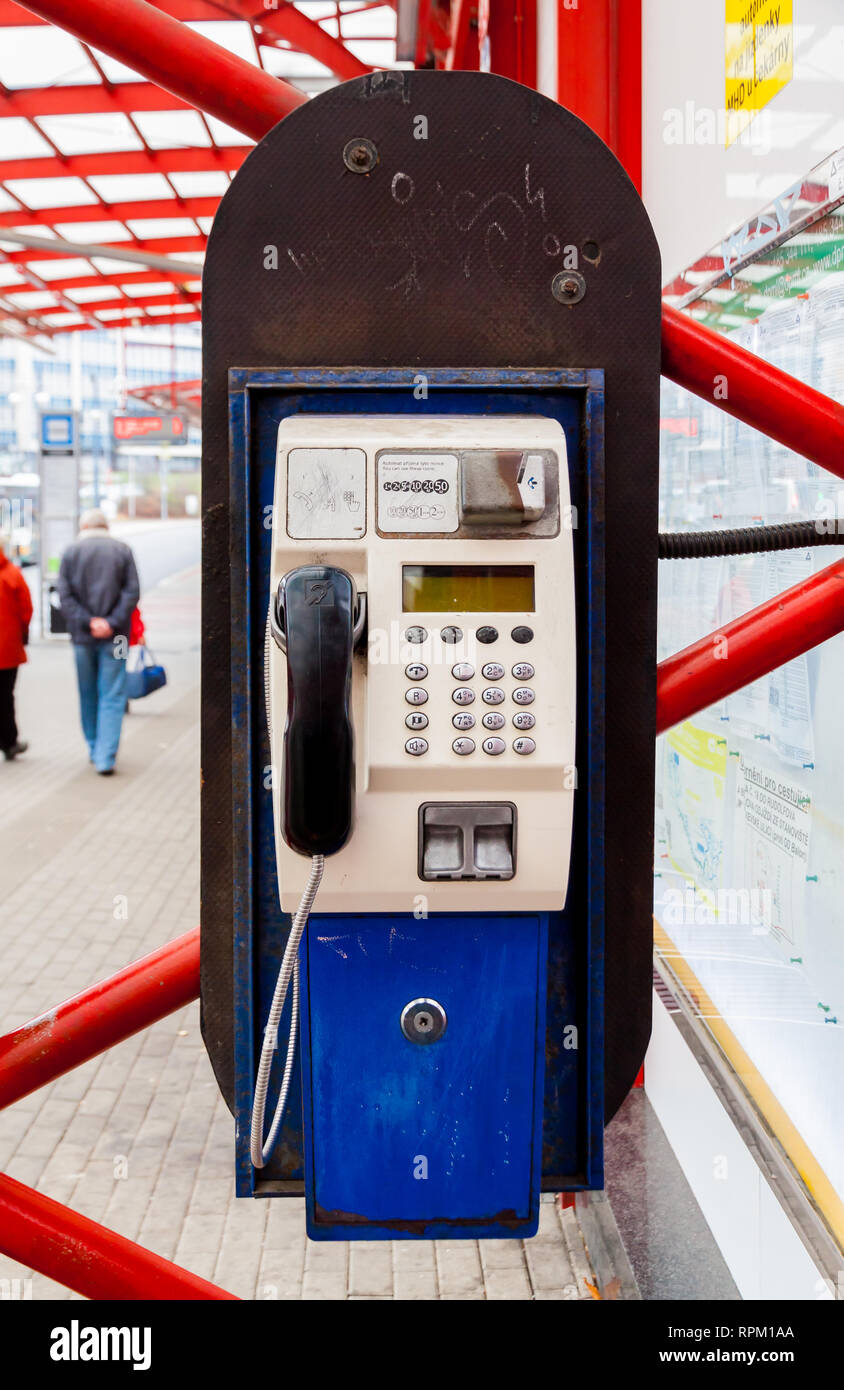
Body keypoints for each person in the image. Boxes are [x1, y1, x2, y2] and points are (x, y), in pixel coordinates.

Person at [57, 509, 140, 775]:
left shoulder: (70, 552)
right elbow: (132, 592)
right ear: (106, 526)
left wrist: (89, 622)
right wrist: (111, 622)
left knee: (88, 690)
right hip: (117, 636)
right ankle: (107, 756)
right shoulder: (123, 550)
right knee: (114, 692)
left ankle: (93, 746)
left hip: (82, 636)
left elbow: (65, 595)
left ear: (84, 526)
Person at [0, 529, 33, 760]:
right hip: (6, 649)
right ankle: (9, 742)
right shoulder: (11, 574)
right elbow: (26, 610)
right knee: (5, 696)